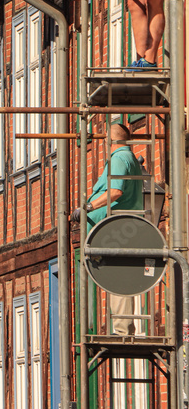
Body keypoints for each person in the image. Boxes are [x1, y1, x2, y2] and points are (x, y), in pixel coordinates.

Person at [71, 123, 145, 335]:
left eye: (105, 138)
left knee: (118, 276)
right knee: (117, 276)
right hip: (120, 227)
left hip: (116, 228)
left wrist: (89, 206)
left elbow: (115, 191)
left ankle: (122, 330)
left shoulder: (119, 159)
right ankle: (123, 328)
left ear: (110, 140)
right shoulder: (129, 158)